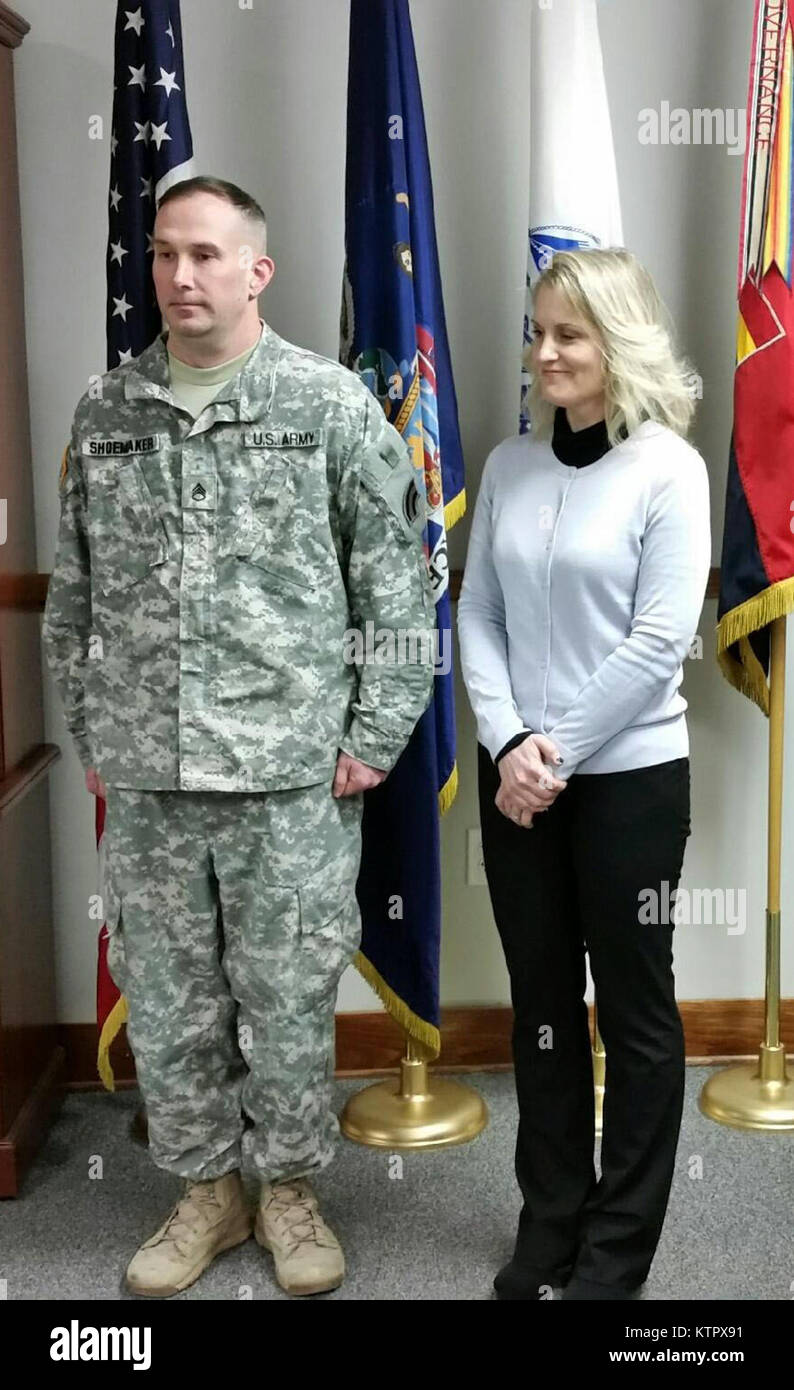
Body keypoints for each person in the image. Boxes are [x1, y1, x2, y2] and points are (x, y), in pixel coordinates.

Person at [43, 176, 435, 1299]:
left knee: (288, 996)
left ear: (256, 271)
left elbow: (397, 590)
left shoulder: (326, 406)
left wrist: (374, 732)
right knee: (168, 1000)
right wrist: (96, 725)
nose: (179, 276)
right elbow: (74, 597)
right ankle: (206, 1192)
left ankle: (292, 1192)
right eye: (165, 254)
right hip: (153, 780)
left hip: (289, 777)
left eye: (206, 255)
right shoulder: (107, 412)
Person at [457, 247, 711, 1301]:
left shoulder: (666, 469)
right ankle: (549, 1223)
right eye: (537, 330)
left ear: (617, 340)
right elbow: (475, 614)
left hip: (628, 784)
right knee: (542, 1005)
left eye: (569, 332)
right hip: (515, 777)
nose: (545, 350)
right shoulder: (508, 466)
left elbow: (657, 643)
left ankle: (615, 1252)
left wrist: (546, 754)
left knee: (636, 1015)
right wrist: (508, 745)